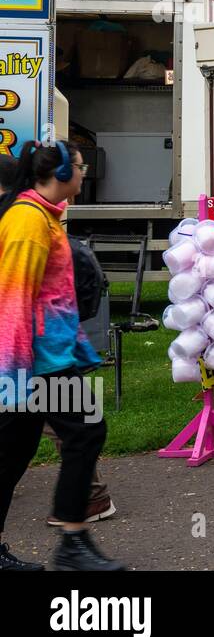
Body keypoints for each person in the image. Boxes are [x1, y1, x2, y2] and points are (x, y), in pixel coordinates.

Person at [0, 140, 123, 570]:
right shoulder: (28, 222)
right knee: (86, 431)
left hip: (47, 359)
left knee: (13, 453)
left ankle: (73, 541)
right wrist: (13, 379)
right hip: (34, 365)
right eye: (80, 166)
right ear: (63, 175)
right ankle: (73, 543)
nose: (85, 172)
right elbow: (14, 300)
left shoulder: (42, 217)